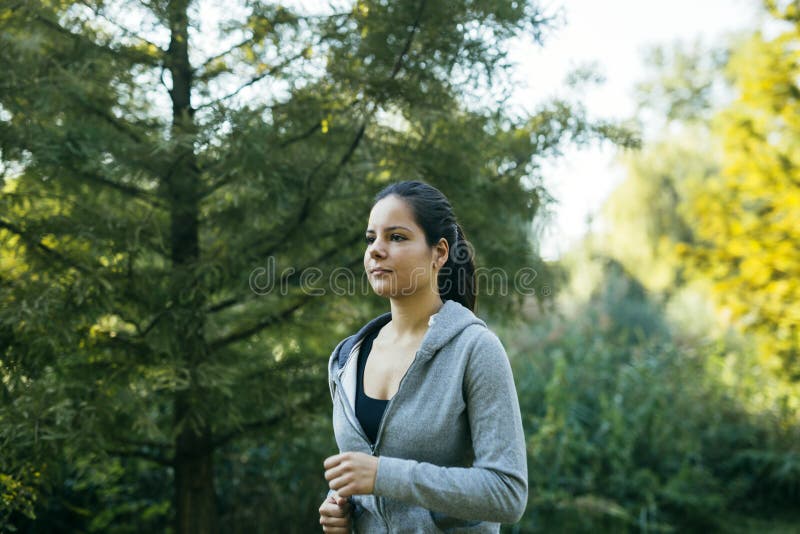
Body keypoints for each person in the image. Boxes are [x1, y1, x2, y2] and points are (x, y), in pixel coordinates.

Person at [319, 181, 527, 533]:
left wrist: (384, 475)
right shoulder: (346, 359)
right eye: (371, 238)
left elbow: (507, 493)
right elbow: (365, 479)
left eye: (396, 237)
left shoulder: (475, 350)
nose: (376, 250)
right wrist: (341, 507)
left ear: (439, 253)